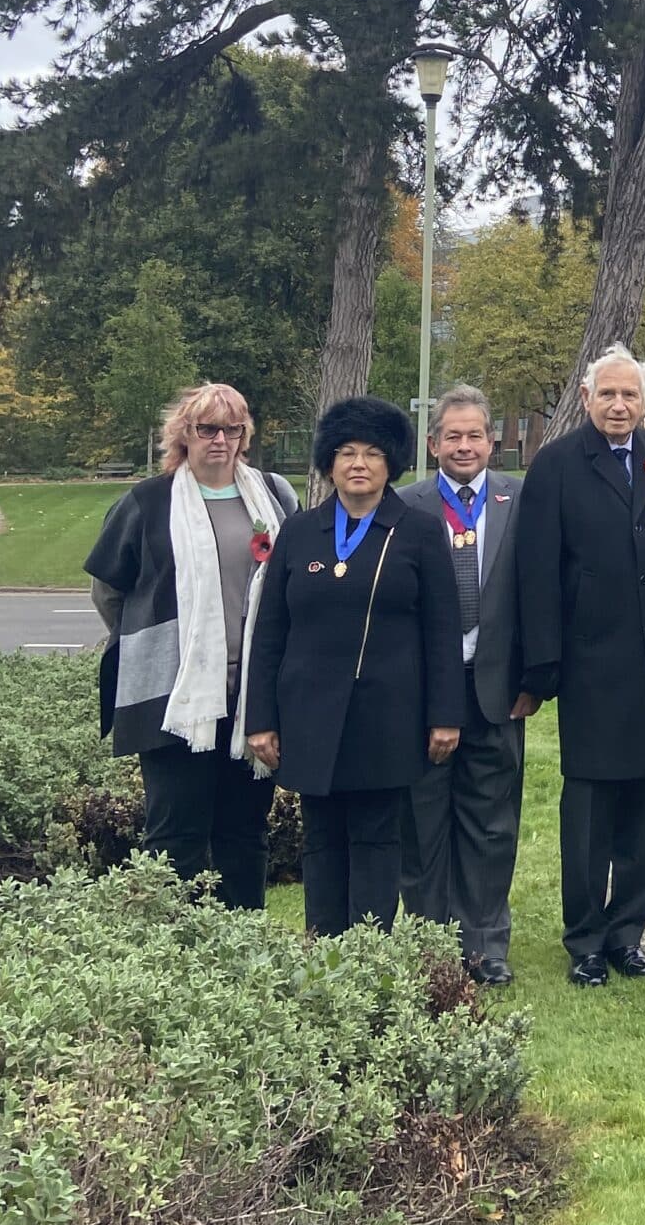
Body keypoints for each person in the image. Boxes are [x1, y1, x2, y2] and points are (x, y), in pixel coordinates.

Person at [515, 346, 645, 986]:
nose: (619, 406)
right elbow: (535, 573)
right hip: (591, 663)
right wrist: (542, 666)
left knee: (644, 809)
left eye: (630, 396)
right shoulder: (558, 465)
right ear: (588, 397)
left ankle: (628, 934)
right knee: (591, 812)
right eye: (607, 396)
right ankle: (586, 940)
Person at [244, 396, 464, 936]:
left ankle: (368, 954)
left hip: (386, 717)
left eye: (370, 453)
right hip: (309, 715)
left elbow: (442, 632)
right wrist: (261, 719)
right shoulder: (299, 533)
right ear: (329, 463)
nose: (358, 463)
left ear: (390, 463)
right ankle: (323, 948)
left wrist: (445, 714)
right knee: (321, 838)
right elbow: (270, 633)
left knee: (376, 837)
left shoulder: (417, 531)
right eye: (345, 452)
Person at [85, 381, 299, 909]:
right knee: (174, 835)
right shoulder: (146, 502)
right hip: (172, 698)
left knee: (243, 833)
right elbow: (108, 592)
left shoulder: (274, 496)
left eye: (231, 429)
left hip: (252, 695)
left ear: (244, 435)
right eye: (207, 429)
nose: (219, 440)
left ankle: (242, 947)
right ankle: (175, 958)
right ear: (185, 434)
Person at [397, 385, 534, 987]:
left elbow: (540, 599)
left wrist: (534, 678)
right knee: (422, 823)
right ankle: (430, 946)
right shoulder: (404, 506)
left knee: (491, 822)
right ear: (433, 444)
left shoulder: (521, 500)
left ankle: (485, 944)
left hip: (499, 688)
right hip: (424, 692)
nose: (464, 445)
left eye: (475, 434)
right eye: (452, 435)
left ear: (492, 441)